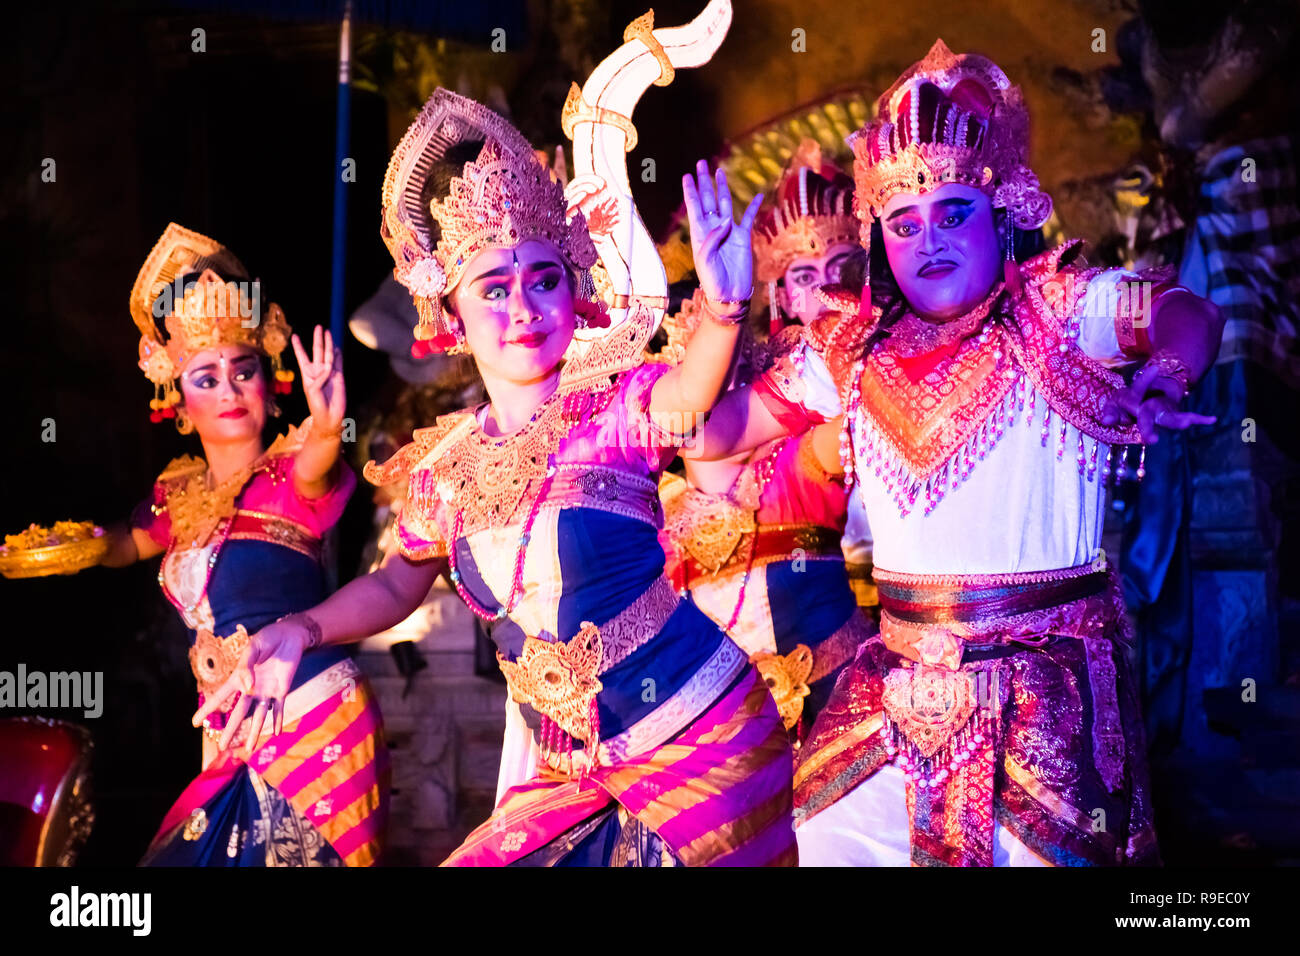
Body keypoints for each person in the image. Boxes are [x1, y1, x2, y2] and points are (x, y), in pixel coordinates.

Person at [196, 89, 796, 867]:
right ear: (450, 315)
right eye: (493, 288)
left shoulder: (614, 412)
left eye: (544, 279)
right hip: (573, 771)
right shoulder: (442, 471)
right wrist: (299, 628)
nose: (524, 306)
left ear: (572, 295)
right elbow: (393, 587)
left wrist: (722, 308)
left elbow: (689, 397)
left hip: (698, 742)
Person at [683, 40, 1225, 866]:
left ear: (1002, 210)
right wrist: (722, 313)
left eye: (953, 213)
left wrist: (1169, 376)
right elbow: (706, 435)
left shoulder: (1060, 307)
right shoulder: (850, 349)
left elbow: (1189, 311)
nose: (927, 239)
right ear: (880, 238)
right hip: (894, 687)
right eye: (903, 222)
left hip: (1043, 692)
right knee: (830, 838)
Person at [96, 223, 387, 865]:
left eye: (243, 369)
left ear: (267, 380)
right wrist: (76, 546)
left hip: (310, 720)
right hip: (229, 733)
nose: (227, 389)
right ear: (176, 394)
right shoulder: (176, 495)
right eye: (206, 377)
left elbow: (319, 455)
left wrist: (331, 422)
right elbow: (123, 545)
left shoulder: (290, 473)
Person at [655, 144, 872, 743]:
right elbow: (696, 430)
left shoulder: (856, 384)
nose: (826, 289)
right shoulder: (753, 389)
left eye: (844, 269)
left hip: (836, 681)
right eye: (804, 276)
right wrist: (721, 313)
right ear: (775, 289)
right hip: (708, 711)